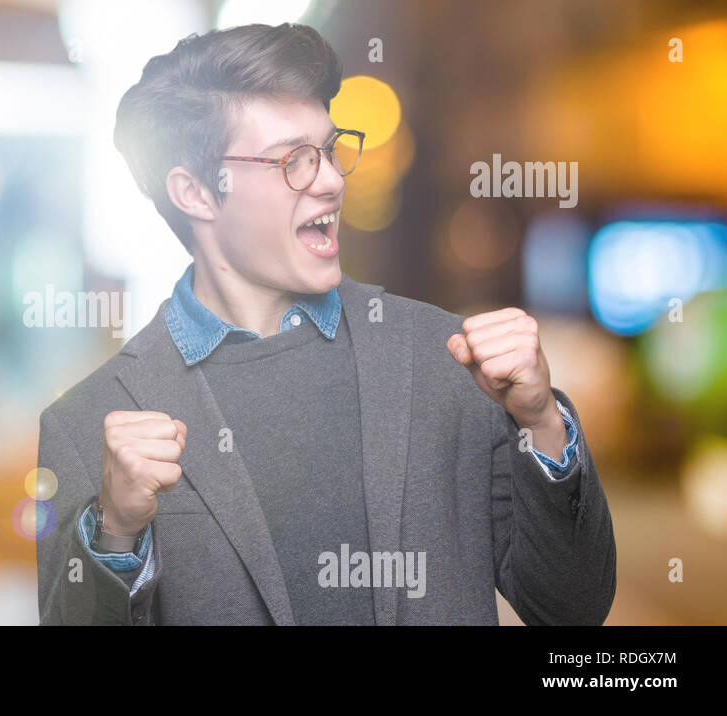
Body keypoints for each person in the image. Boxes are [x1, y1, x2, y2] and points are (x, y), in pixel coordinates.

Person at [35, 22, 616, 625]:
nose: (334, 181)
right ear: (196, 193)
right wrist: (117, 534)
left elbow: (572, 611)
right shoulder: (87, 426)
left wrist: (542, 421)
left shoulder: (449, 363)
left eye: (330, 149)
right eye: (294, 160)